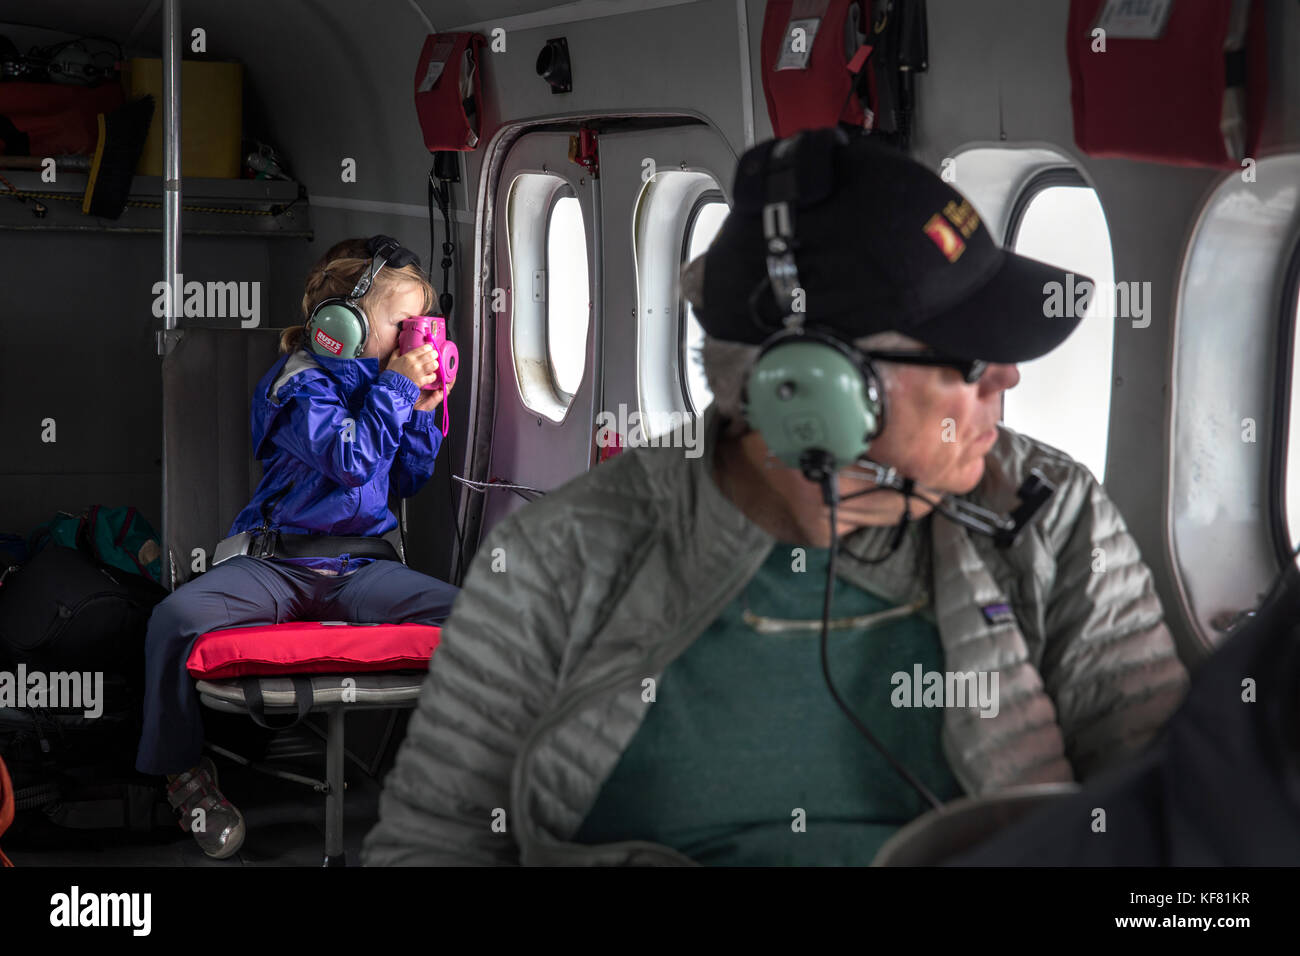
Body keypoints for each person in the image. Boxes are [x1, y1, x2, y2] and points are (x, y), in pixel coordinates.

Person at [363, 131, 1188, 866]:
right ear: (813, 389)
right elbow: (431, 842)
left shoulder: (1050, 514)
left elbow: (1177, 818)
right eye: (968, 360)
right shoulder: (556, 559)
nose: (1008, 377)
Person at [136, 235, 460, 859]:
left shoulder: (382, 384)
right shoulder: (297, 383)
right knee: (173, 621)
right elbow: (347, 457)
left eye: (422, 324)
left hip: (361, 566)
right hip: (281, 564)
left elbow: (407, 481)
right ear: (344, 322)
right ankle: (183, 776)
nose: (416, 338)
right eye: (404, 324)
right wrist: (395, 391)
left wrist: (422, 410)